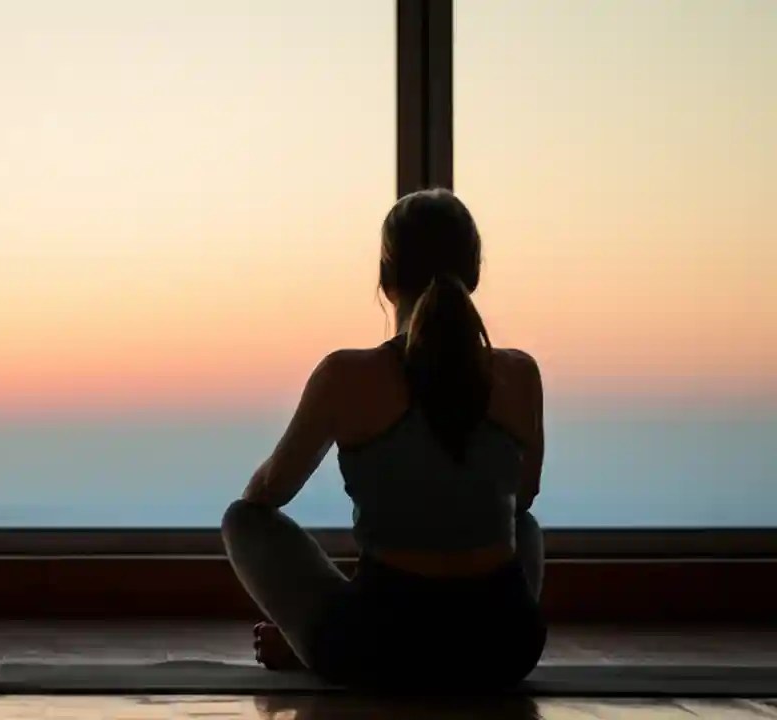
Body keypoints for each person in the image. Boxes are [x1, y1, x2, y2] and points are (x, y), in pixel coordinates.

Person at [221, 188, 546, 691]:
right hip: (503, 649)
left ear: (385, 278)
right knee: (521, 524)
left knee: (241, 521)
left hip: (375, 651)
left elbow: (264, 494)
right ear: (475, 272)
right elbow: (522, 496)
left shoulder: (346, 375)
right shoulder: (520, 374)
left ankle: (307, 646)